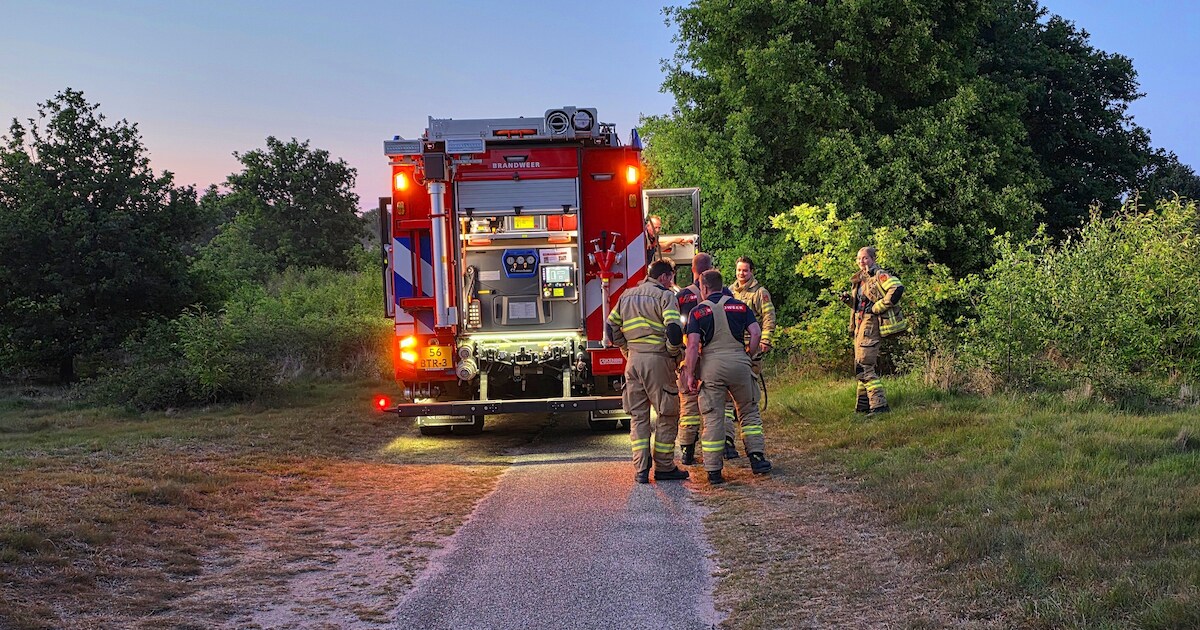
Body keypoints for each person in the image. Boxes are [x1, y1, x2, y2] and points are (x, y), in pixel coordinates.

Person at [681, 269, 772, 484]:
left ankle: (713, 471)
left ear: (703, 287)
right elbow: (757, 332)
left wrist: (691, 374)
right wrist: (749, 353)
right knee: (748, 411)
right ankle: (757, 459)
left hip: (712, 367)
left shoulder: (698, 311)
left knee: (713, 417)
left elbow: (693, 345)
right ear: (723, 286)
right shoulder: (740, 305)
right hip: (739, 363)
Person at [606, 259, 690, 483]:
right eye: (671, 277)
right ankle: (664, 467)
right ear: (663, 277)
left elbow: (610, 326)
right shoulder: (665, 296)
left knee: (638, 416)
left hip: (633, 362)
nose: (671, 282)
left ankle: (641, 470)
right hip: (657, 360)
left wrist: (625, 348)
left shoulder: (626, 295)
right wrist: (673, 352)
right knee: (667, 412)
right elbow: (673, 330)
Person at [839, 246, 905, 415]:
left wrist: (880, 306)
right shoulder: (860, 279)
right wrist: (848, 300)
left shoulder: (879, 275)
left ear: (873, 259)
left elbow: (897, 288)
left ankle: (879, 406)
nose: (861, 261)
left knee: (864, 365)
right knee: (858, 365)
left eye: (865, 258)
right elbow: (861, 303)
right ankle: (863, 407)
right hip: (859, 324)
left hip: (870, 324)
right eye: (859, 258)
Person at [725, 256, 777, 458]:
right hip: (732, 348)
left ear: (752, 271)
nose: (741, 274)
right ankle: (728, 440)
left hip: (751, 349)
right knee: (727, 399)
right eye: (739, 270)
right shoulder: (729, 291)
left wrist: (764, 342)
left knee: (748, 397)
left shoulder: (760, 293)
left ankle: (752, 445)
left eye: (745, 270)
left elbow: (769, 318)